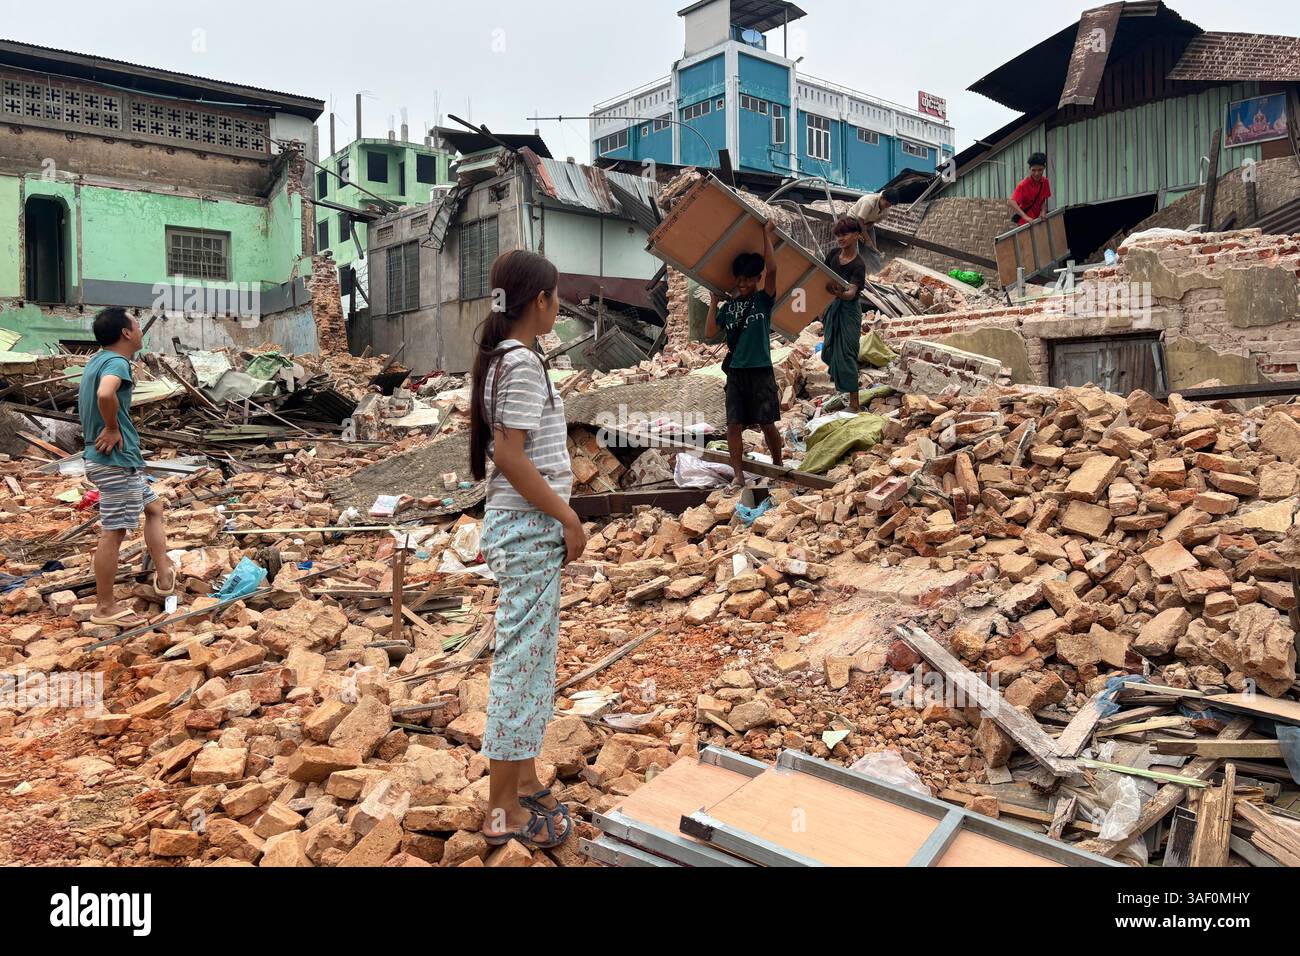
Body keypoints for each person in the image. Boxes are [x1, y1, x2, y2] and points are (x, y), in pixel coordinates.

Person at [470, 249, 583, 850]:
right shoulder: (519, 364)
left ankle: (525, 779)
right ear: (538, 301)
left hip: (524, 529)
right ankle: (500, 812)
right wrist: (567, 515)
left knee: (536, 658)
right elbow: (510, 456)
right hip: (529, 529)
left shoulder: (511, 357)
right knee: (521, 663)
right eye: (555, 296)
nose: (559, 305)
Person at [77, 308, 175, 628]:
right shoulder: (117, 363)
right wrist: (112, 427)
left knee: (154, 507)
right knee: (114, 532)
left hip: (114, 460)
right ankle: (105, 607)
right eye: (136, 324)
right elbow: (106, 393)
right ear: (126, 333)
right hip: (114, 460)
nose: (140, 329)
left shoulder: (97, 360)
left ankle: (164, 575)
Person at [705, 220, 784, 488]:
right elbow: (709, 333)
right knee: (733, 425)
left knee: (767, 423)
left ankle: (778, 466)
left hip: (761, 369)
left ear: (757, 279)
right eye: (740, 278)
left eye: (749, 278)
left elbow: (772, 268)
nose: (743, 283)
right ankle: (738, 475)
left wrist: (766, 234)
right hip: (737, 372)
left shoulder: (763, 299)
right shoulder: (729, 307)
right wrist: (715, 302)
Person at [820, 217, 868, 412]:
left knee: (847, 353)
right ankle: (844, 394)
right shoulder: (832, 255)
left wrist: (838, 293)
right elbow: (820, 276)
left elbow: (851, 293)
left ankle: (855, 404)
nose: (841, 238)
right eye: (838, 235)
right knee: (830, 349)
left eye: (845, 234)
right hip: (832, 308)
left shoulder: (858, 264)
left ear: (856, 235)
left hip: (849, 312)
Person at [845, 186, 901, 272]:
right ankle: (849, 271)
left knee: (871, 249)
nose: (887, 207)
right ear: (882, 198)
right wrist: (866, 238)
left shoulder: (886, 210)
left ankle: (876, 273)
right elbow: (860, 220)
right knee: (854, 248)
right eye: (886, 204)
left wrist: (865, 235)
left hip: (867, 223)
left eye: (890, 205)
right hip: (853, 220)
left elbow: (872, 222)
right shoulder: (869, 202)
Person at [1009, 153, 1052, 226]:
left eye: (1040, 170)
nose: (1037, 173)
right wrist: (1025, 217)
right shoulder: (1023, 184)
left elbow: (1042, 199)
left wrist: (1043, 211)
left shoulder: (1045, 182)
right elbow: (1011, 202)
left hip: (1037, 221)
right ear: (1029, 169)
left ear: (1044, 168)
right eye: (1033, 170)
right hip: (1024, 224)